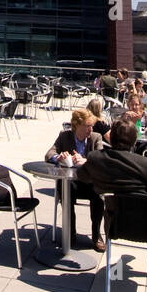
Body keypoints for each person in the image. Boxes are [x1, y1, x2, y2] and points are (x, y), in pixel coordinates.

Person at [80, 117, 147, 274]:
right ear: (134, 142)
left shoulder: (96, 158)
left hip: (115, 225)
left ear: (111, 138)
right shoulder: (145, 164)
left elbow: (83, 177)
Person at [44, 108, 107, 252]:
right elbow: (49, 154)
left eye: (91, 125)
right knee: (66, 192)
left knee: (98, 196)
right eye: (87, 126)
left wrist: (85, 160)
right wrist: (58, 157)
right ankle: (70, 233)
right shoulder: (65, 136)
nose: (90, 129)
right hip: (70, 182)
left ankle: (96, 235)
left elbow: (101, 158)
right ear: (76, 125)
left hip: (89, 182)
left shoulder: (95, 137)